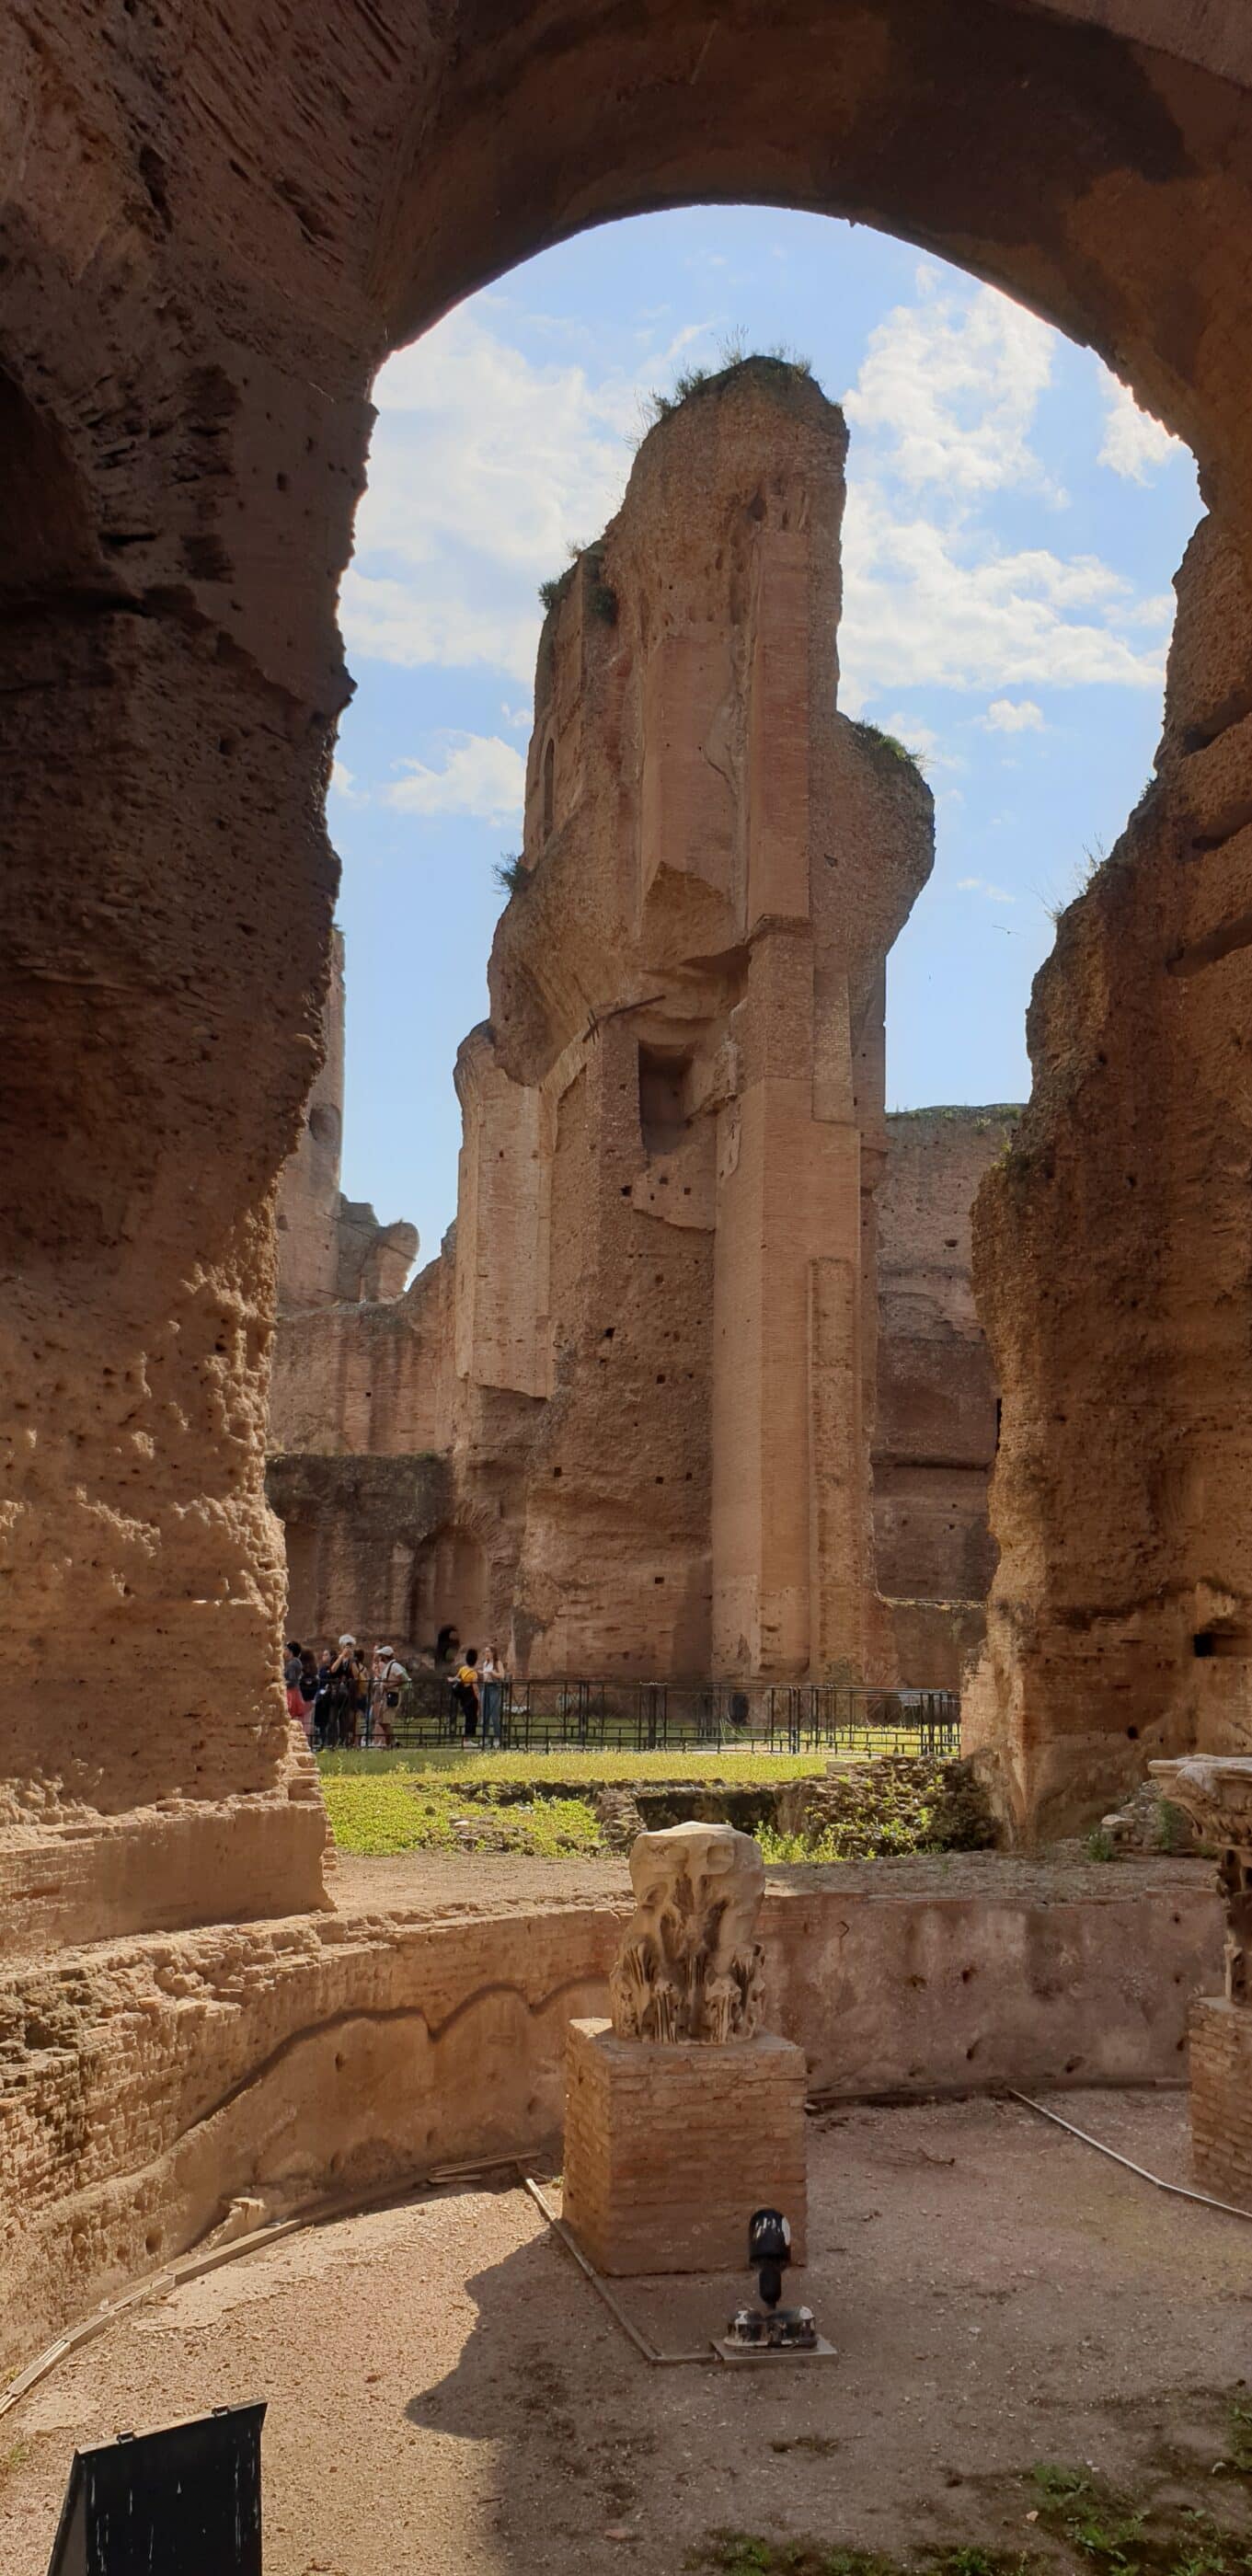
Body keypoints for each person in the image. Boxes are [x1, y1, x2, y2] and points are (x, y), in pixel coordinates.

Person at [371, 1645, 407, 1751]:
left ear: (385, 1656)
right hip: (387, 1695)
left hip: (391, 1694)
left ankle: (391, 1743)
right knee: (383, 1721)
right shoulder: (390, 1666)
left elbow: (403, 1679)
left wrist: (390, 1685)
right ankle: (391, 1743)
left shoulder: (394, 1666)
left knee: (385, 1721)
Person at [479, 1644, 507, 1748]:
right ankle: (485, 1738)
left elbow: (502, 1675)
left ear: (493, 1653)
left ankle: (497, 1738)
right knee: (485, 1714)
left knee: (495, 1714)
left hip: (494, 1688)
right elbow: (484, 1675)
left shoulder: (497, 1663)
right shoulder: (485, 1663)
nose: (486, 1653)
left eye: (488, 1651)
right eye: (485, 1652)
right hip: (485, 1688)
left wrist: (493, 1673)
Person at [453, 1647, 480, 1742]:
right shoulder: (473, 1673)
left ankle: (466, 1739)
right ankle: (467, 1740)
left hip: (463, 1696)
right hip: (471, 1697)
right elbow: (475, 1688)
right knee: (471, 1718)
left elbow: (455, 1678)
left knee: (467, 1717)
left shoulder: (463, 1669)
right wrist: (479, 1699)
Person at [297, 1648, 318, 1743]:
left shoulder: (301, 1670)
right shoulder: (314, 1670)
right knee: (308, 1723)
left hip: (301, 1699)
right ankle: (307, 1742)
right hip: (310, 1700)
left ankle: (299, 1741)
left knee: (300, 1722)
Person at [283, 1641, 304, 1728]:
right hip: (296, 1691)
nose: (284, 1651)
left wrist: (282, 1684)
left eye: (286, 1649)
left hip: (291, 1693)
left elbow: (292, 1680)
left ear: (290, 1651)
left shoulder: (292, 1663)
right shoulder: (297, 1662)